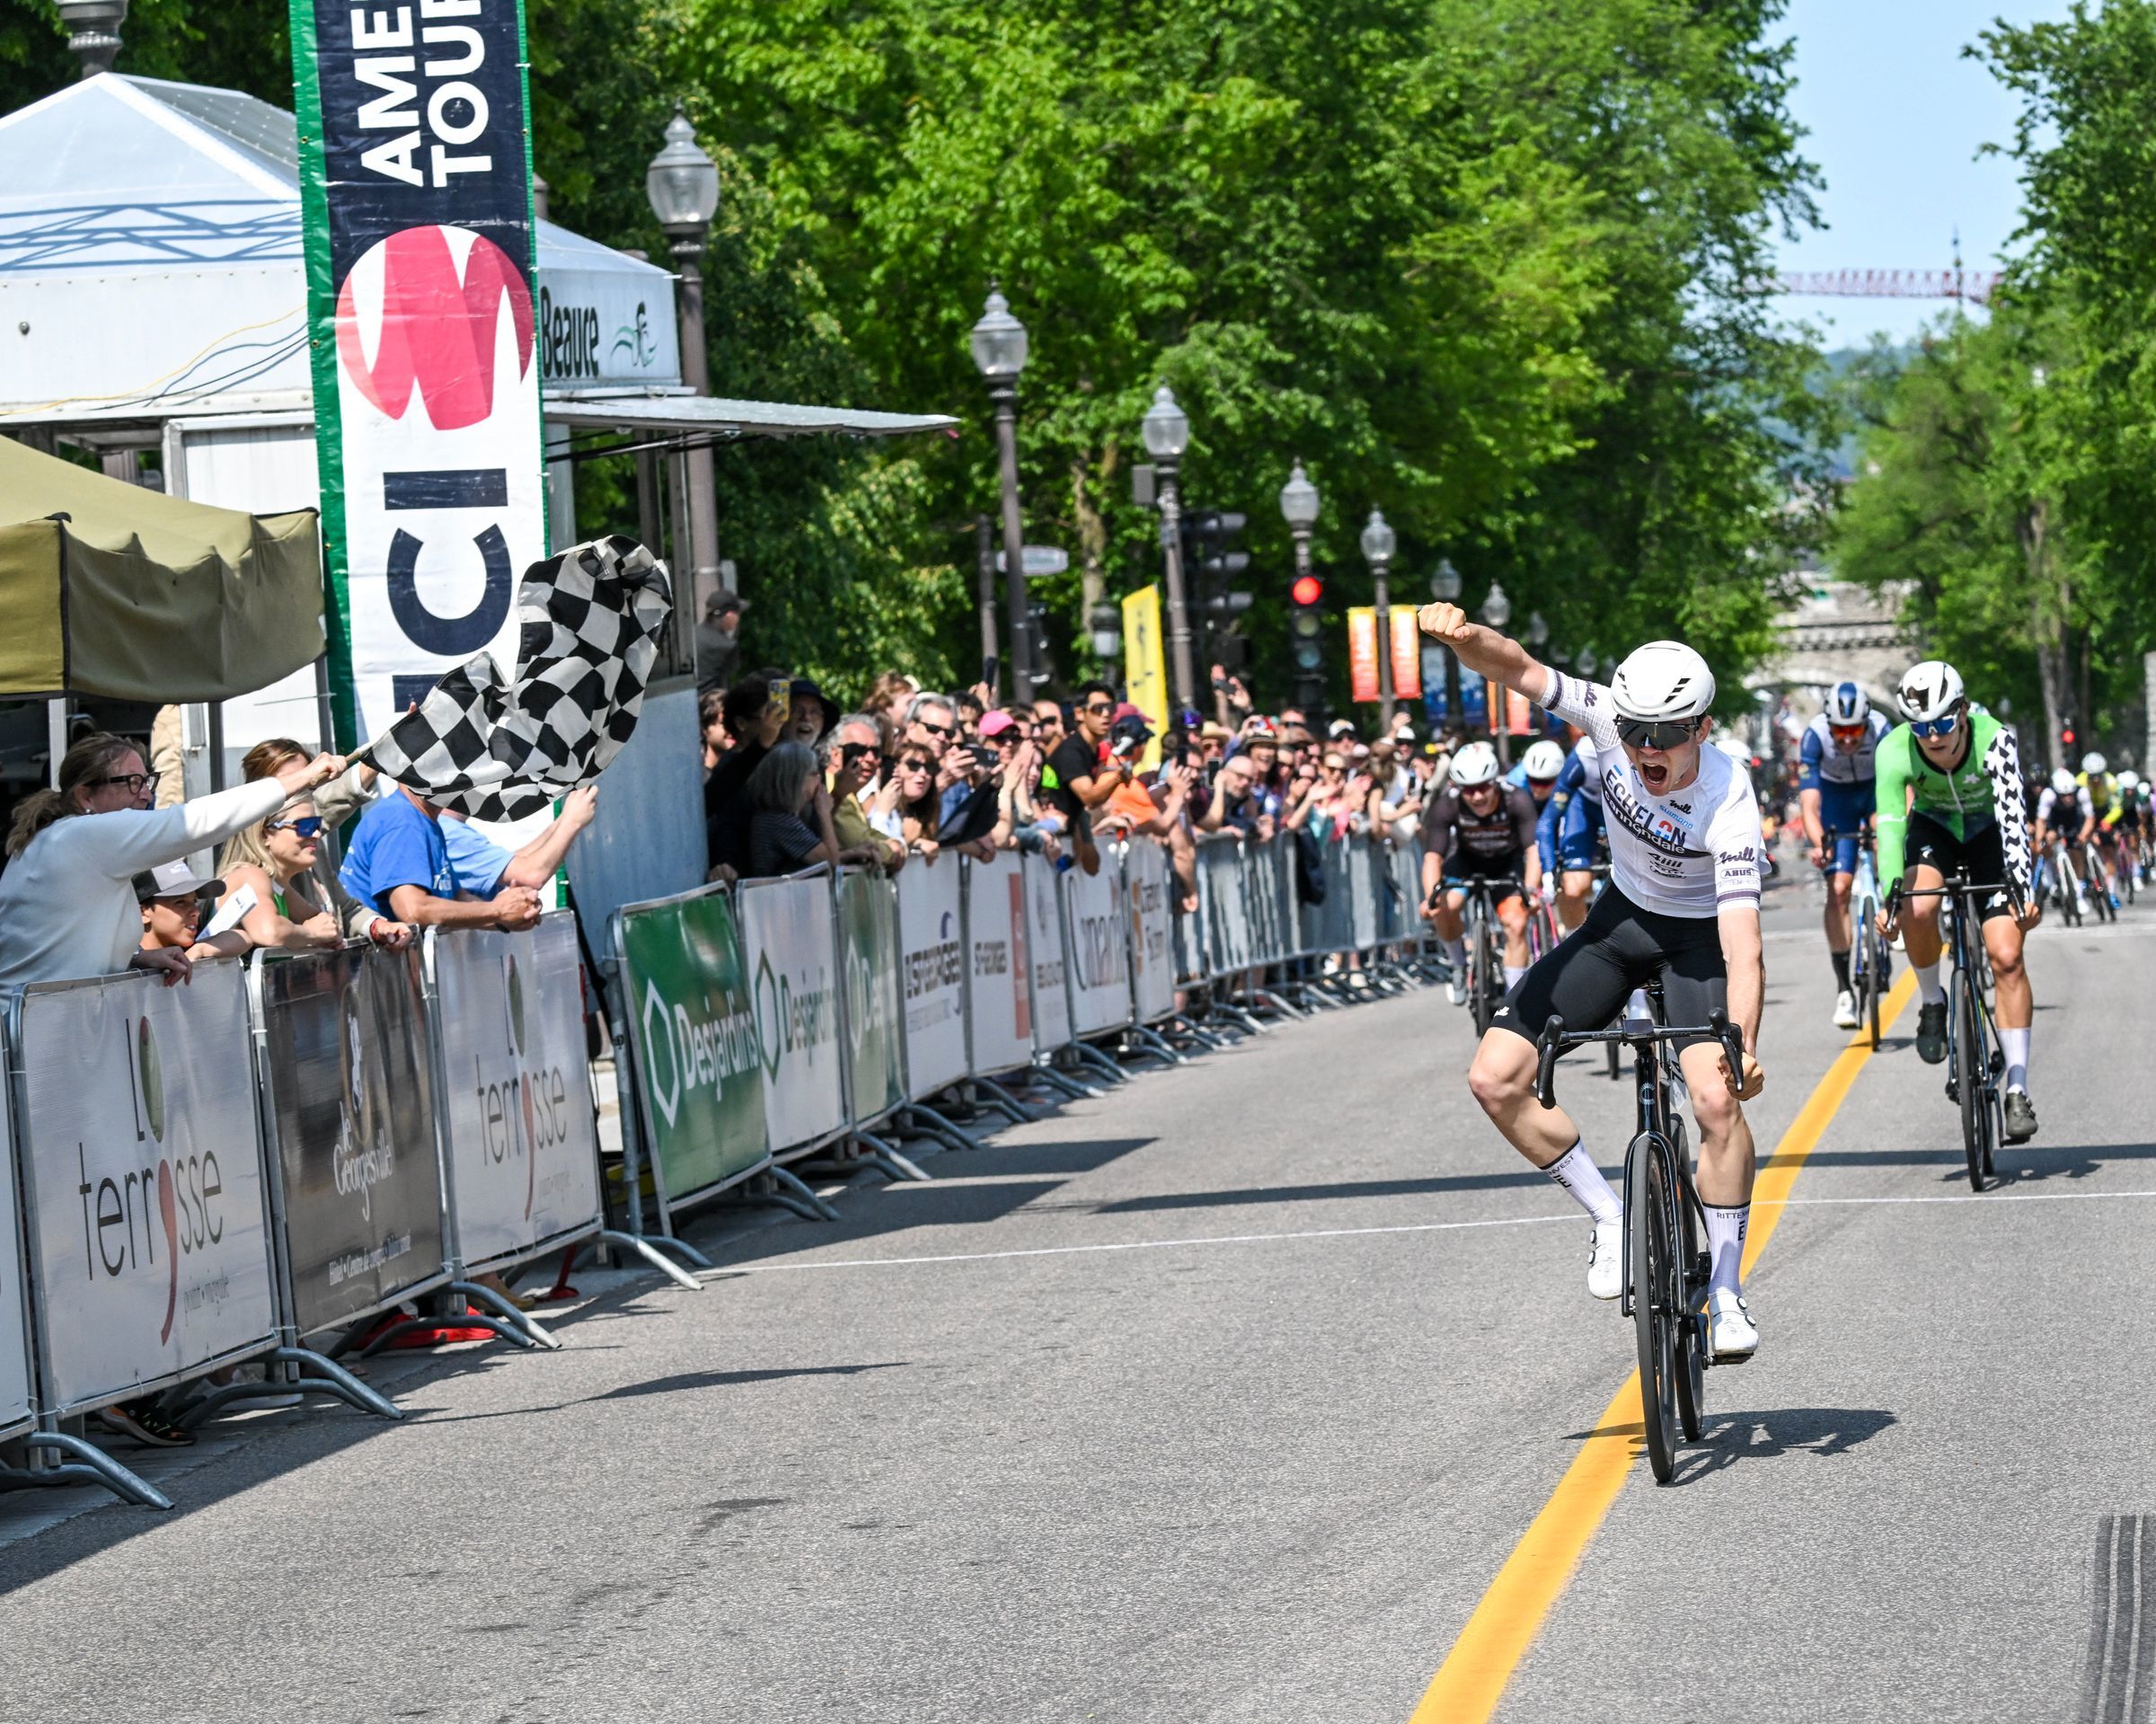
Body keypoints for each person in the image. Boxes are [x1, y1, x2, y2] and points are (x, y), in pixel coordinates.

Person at [1418, 601, 1768, 1361]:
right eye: (1636, 731)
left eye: (1666, 735)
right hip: (1619, 921)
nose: (1646, 748)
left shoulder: (1728, 797)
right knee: (1495, 1076)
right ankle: (1610, 1217)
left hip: (1699, 942)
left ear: (1701, 728)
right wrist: (1464, 636)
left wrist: (1740, 1044)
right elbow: (1515, 667)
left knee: (1713, 1098)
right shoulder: (1608, 719)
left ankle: (1730, 1290)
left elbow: (1745, 949)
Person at [0, 733, 347, 989]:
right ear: (85, 796)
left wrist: (135, 959)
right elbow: (193, 823)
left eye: (147, 781)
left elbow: (68, 945)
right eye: (132, 783)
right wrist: (303, 778)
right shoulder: (80, 837)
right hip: (28, 1047)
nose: (147, 795)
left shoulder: (73, 841)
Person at [1874, 660, 2040, 1143]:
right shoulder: (1893, 750)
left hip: (1990, 835)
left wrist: (2023, 890)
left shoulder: (1995, 738)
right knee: (1918, 908)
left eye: (1943, 723)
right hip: (1936, 831)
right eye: (1920, 727)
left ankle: (2017, 1088)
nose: (1932, 736)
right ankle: (1932, 999)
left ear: (1963, 712)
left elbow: (2014, 821)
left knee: (2007, 958)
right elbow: (1890, 828)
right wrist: (1890, 897)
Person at [1798, 681, 1892, 1029]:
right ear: (1829, 725)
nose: (1848, 738)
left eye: (1854, 730)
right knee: (1838, 890)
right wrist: (1820, 844)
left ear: (1866, 723)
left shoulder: (1883, 729)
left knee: (1886, 840)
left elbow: (1903, 789)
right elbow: (1810, 805)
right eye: (1841, 730)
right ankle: (1844, 989)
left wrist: (1900, 832)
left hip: (1875, 793)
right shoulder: (1814, 736)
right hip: (1836, 801)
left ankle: (1888, 904)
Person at [1420, 740, 1541, 1002]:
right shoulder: (1447, 804)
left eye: (1483, 787)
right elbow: (1432, 857)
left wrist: (1530, 892)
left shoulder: (1517, 798)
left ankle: (1514, 997)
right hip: (1465, 862)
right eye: (1469, 789)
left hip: (1507, 864)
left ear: (1495, 781)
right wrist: (1431, 898)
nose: (1477, 796)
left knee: (1516, 922)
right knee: (1443, 906)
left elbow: (1533, 852)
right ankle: (1458, 964)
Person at [216, 797, 415, 950]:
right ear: (265, 834)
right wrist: (311, 933)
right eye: (304, 826)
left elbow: (327, 924)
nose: (317, 834)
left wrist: (325, 934)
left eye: (317, 824)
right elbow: (269, 932)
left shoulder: (278, 885)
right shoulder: (250, 874)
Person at [339, 786, 543, 932]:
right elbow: (413, 910)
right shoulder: (402, 821)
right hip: (373, 977)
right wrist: (497, 910)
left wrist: (505, 917)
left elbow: (455, 897)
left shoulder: (425, 820)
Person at [742, 740, 881, 877]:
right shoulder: (780, 821)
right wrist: (824, 813)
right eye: (814, 773)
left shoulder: (777, 817)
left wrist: (854, 852)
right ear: (795, 780)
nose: (819, 778)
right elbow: (831, 862)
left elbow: (817, 857)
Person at [437, 785, 600, 901]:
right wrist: (572, 822)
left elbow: (514, 861)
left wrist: (564, 818)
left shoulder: (448, 829)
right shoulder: (449, 832)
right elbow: (531, 875)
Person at [1039, 680, 1134, 874]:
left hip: (1066, 842)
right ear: (1079, 714)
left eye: (1110, 708)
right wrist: (1117, 778)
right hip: (1047, 846)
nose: (1106, 714)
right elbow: (1089, 798)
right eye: (1098, 709)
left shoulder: (1090, 750)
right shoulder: (1072, 752)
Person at [827, 714, 906, 872]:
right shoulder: (829, 788)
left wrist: (896, 844)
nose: (870, 759)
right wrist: (892, 851)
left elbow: (868, 834)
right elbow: (857, 843)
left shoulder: (851, 793)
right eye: (859, 750)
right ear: (835, 755)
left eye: (875, 752)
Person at [135, 859, 250, 964]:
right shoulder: (124, 962)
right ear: (143, 912)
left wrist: (199, 950)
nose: (196, 912)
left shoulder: (187, 949)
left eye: (194, 901)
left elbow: (243, 938)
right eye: (180, 902)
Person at [2033, 768, 2094, 916]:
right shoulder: (2048, 795)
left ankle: (2079, 894)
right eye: (2064, 796)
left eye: (2070, 795)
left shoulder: (2082, 792)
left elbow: (2090, 818)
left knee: (2077, 852)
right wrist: (2040, 840)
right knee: (2047, 843)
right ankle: (2050, 878)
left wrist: (2083, 835)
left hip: (2074, 820)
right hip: (2054, 820)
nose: (2067, 798)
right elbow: (2041, 821)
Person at [695, 588, 746, 694]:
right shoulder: (728, 646)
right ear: (729, 615)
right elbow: (729, 683)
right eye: (738, 614)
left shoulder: (692, 634)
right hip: (710, 705)